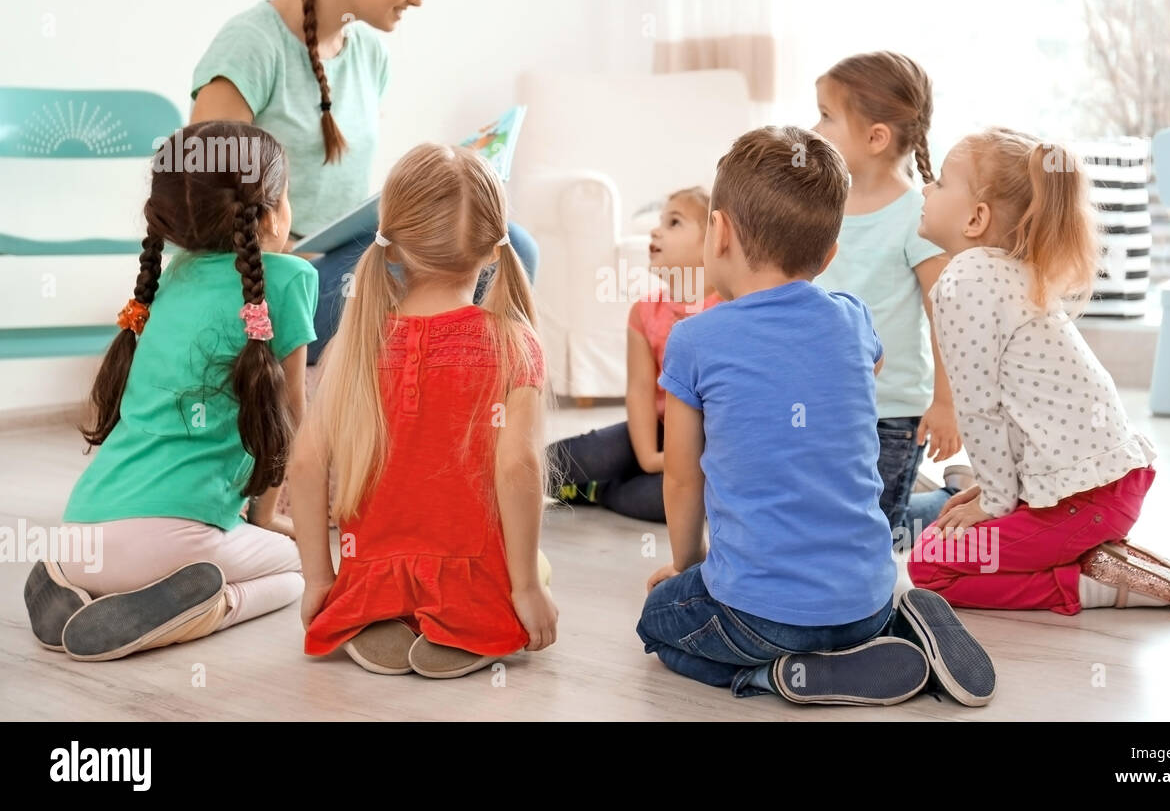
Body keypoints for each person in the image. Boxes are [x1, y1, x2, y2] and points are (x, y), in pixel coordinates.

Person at [635, 126, 996, 706]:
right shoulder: (853, 319)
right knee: (842, 610)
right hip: (866, 601)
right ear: (830, 255)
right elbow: (854, 383)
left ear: (718, 232)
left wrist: (686, 568)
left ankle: (776, 675)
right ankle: (897, 631)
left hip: (759, 615)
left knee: (657, 622)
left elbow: (681, 478)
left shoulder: (694, 340)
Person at [188, 0, 538, 364]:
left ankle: (463, 401)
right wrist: (285, 246)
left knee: (509, 246)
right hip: (263, 271)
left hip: (340, 258)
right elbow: (199, 193)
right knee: (445, 268)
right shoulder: (252, 45)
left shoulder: (369, 54)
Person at [23, 122, 315, 660]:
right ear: (269, 214)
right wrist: (269, 519)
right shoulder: (290, 278)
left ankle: (71, 583)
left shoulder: (168, 277)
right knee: (298, 570)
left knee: (139, 553)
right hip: (172, 545)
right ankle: (198, 606)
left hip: (81, 526)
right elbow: (290, 420)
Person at [908, 127, 1170, 614]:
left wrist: (995, 504)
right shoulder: (1002, 271)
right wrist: (989, 490)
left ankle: (1093, 583)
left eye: (940, 182)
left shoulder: (965, 279)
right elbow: (1018, 412)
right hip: (1101, 490)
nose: (926, 188)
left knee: (930, 566)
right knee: (951, 528)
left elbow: (980, 410)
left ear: (976, 217)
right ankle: (1092, 557)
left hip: (1085, 500)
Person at [292, 144, 557, 677]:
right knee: (540, 566)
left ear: (392, 245)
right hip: (471, 576)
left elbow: (304, 464)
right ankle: (461, 620)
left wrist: (320, 581)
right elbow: (518, 467)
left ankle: (383, 615)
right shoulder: (514, 343)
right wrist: (526, 587)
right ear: (492, 249)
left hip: (369, 576)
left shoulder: (358, 341)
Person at [812, 52, 970, 547]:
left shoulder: (916, 215)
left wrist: (946, 402)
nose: (813, 127)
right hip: (826, 404)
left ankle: (949, 504)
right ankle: (920, 500)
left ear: (876, 137)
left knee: (875, 535)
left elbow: (942, 310)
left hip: (892, 412)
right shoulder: (821, 204)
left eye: (826, 116)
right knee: (836, 519)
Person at [547, 187, 720, 521]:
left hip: (705, 448)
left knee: (671, 500)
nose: (656, 231)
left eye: (673, 222)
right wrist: (649, 457)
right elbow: (640, 390)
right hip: (656, 428)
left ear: (712, 241)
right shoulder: (644, 312)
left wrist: (677, 461)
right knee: (563, 459)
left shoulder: (727, 308)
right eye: (659, 222)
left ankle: (598, 489)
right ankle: (565, 477)